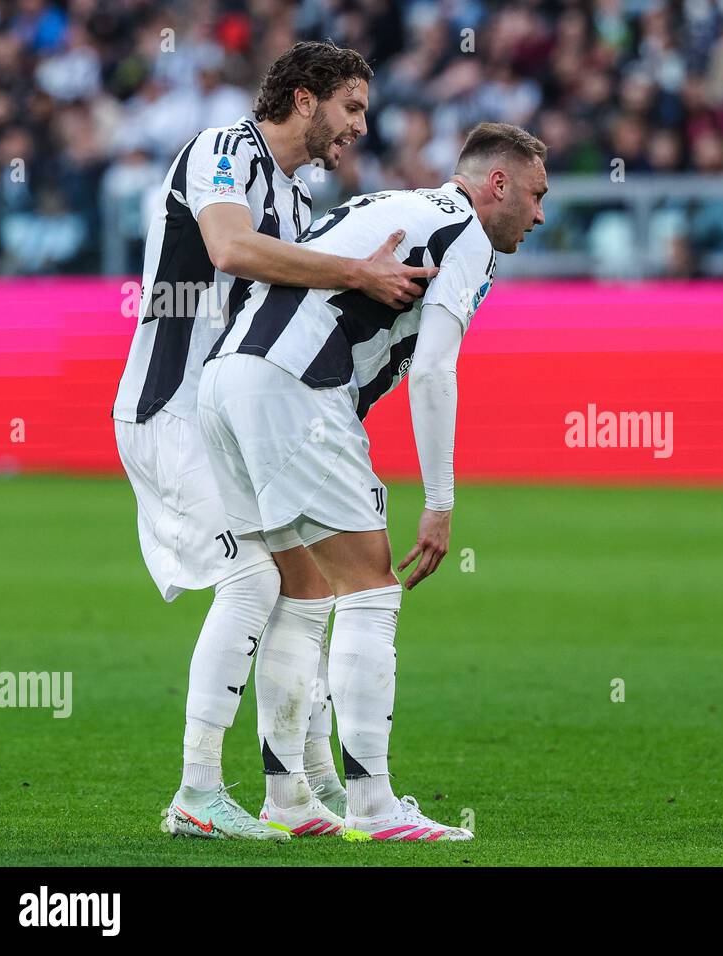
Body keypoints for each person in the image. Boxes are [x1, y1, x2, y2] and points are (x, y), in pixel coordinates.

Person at [111, 41, 436, 841]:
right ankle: (195, 792)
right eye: (352, 106)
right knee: (254, 582)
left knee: (308, 587)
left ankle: (301, 790)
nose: (360, 125)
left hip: (231, 422)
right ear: (302, 97)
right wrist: (356, 273)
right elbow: (225, 247)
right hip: (170, 409)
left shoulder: (295, 201)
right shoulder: (225, 152)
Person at [196, 122, 548, 841]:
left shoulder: (395, 204)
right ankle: (373, 806)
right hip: (294, 386)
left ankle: (288, 797)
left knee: (304, 591)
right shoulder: (467, 237)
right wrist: (441, 502)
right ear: (498, 184)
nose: (540, 215)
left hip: (227, 382)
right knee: (372, 588)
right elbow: (434, 371)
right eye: (537, 195)